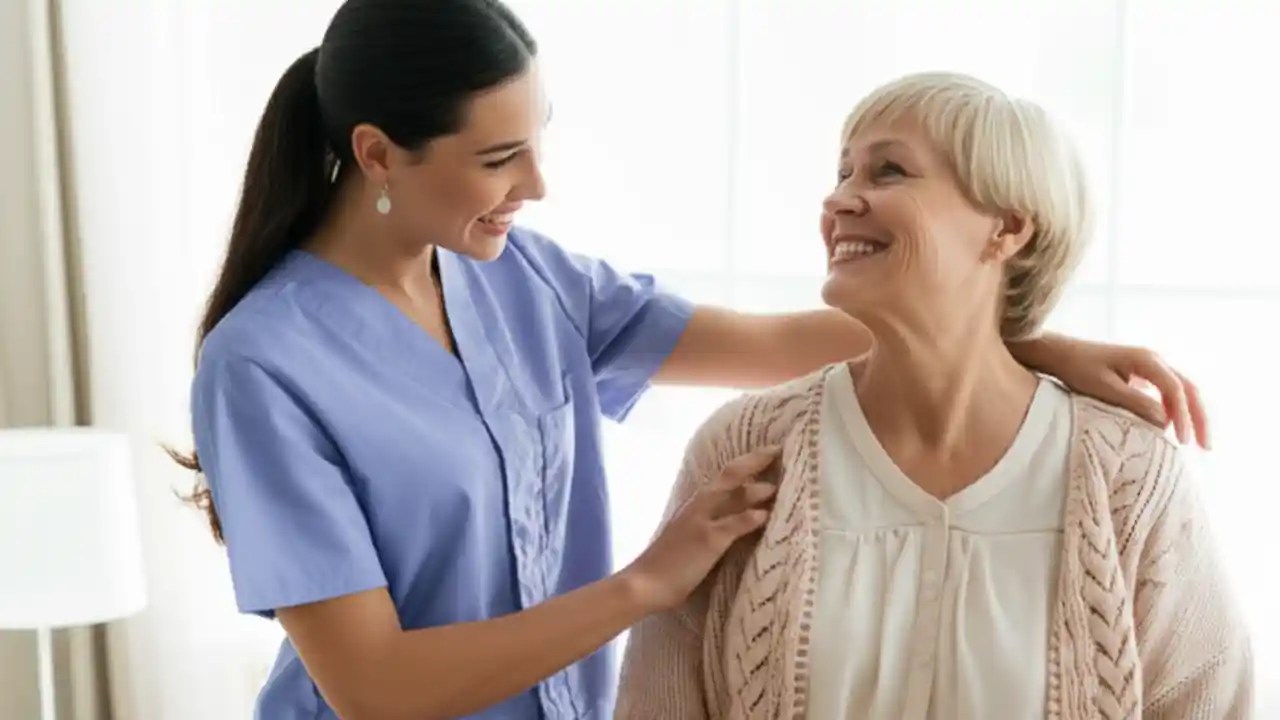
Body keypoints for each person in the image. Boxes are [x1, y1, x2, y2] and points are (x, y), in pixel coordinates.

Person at [180, 2, 1212, 718]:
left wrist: (1017, 340)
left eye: (538, 138)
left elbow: (776, 341)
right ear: (375, 155)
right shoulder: (262, 368)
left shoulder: (527, 280)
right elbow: (375, 691)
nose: (535, 182)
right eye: (497, 160)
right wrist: (648, 585)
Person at [615, 72, 1251, 719]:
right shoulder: (748, 449)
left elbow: (1210, 703)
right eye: (842, 174)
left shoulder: (1127, 473)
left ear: (1007, 228)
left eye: (887, 172)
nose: (840, 202)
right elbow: (656, 702)